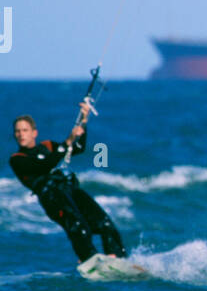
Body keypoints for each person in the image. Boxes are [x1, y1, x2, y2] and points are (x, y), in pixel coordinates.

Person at [9, 100, 126, 263]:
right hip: (51, 197)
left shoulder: (48, 146)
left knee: (104, 223)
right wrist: (67, 141)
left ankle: (118, 258)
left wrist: (84, 120)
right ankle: (89, 259)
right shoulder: (17, 160)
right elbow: (46, 164)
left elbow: (77, 148)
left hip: (68, 189)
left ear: (34, 132)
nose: (21, 134)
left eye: (25, 130)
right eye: (17, 131)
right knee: (79, 227)